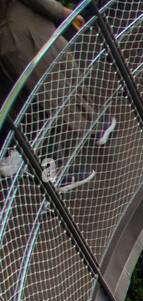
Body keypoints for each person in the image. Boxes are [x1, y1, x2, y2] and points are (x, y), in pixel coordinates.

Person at [1, 0, 116, 193]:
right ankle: (56, 175)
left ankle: (94, 125)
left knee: (42, 97)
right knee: (48, 95)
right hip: (22, 29)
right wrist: (61, 11)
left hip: (12, 37)